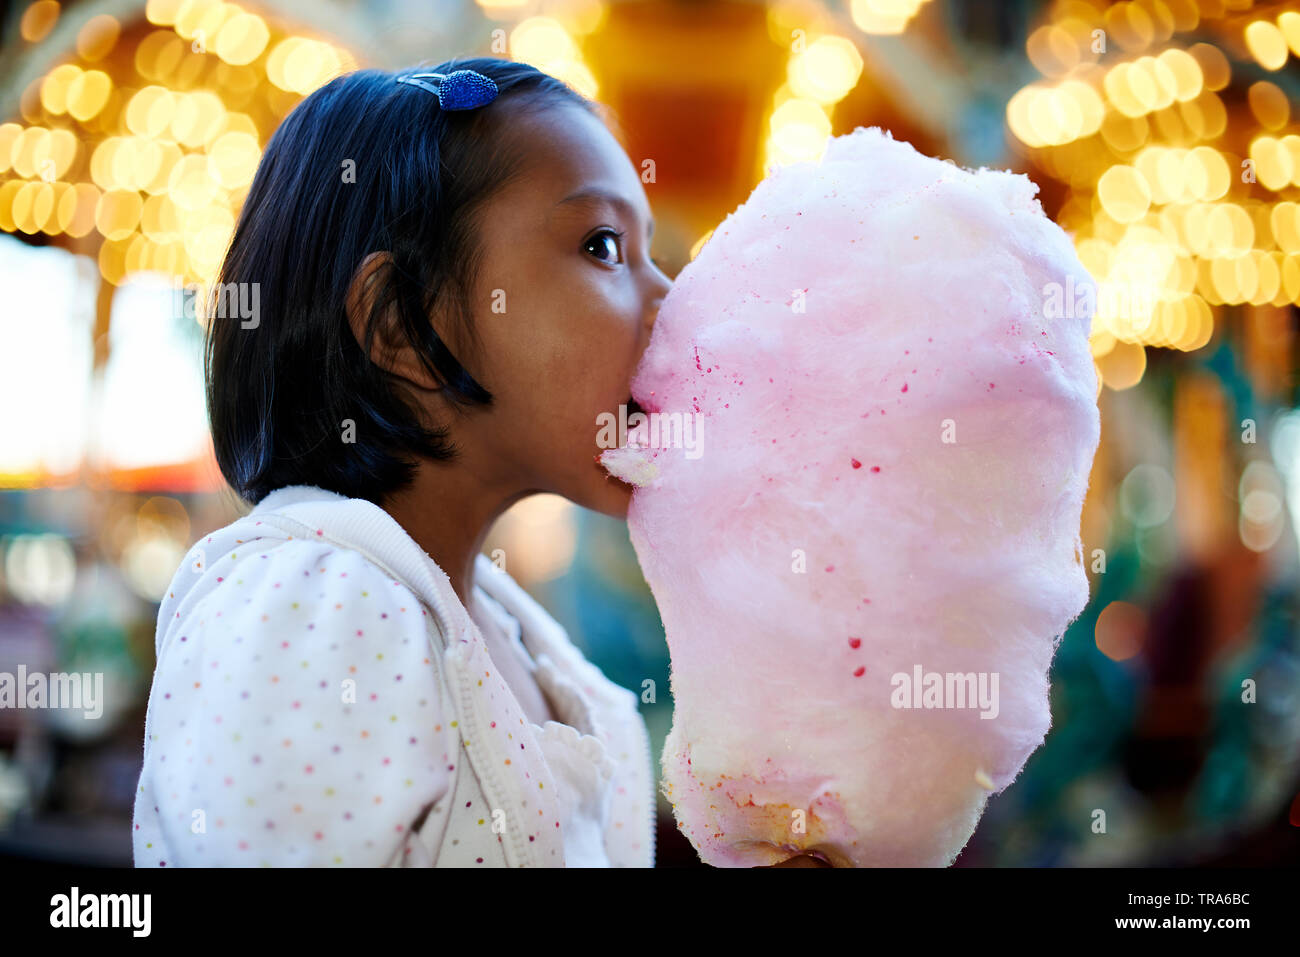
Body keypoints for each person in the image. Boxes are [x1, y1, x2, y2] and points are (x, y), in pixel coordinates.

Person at [131, 55, 821, 867]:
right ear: (401, 325)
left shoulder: (523, 640)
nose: (673, 299)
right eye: (604, 245)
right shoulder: (318, 598)